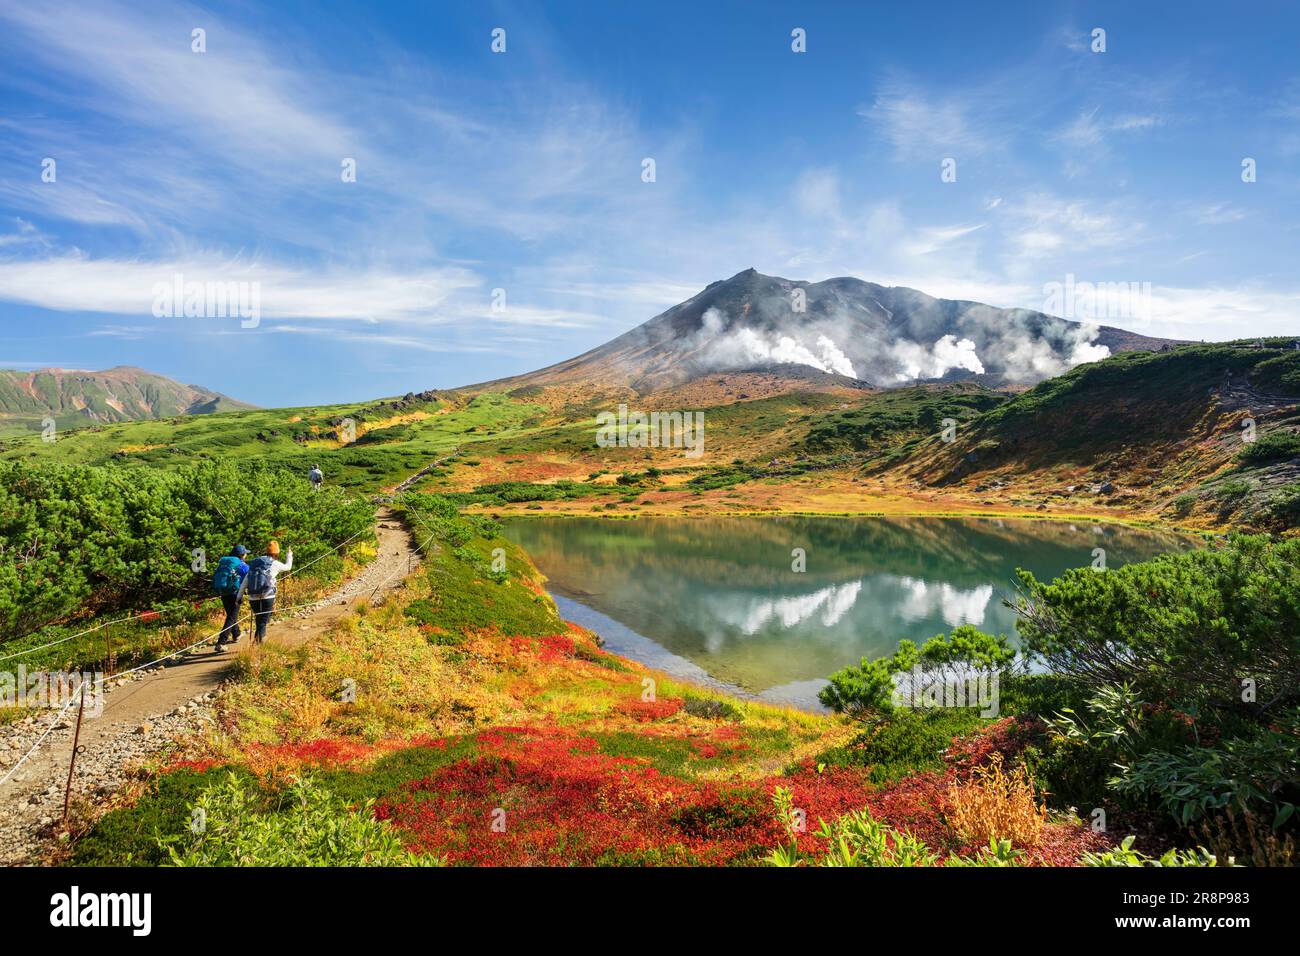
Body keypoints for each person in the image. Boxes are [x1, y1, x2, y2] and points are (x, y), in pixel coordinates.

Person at [239, 539, 293, 643]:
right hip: (268, 595)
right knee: (263, 621)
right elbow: (288, 567)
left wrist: (239, 597)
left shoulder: (254, 563)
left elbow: (245, 581)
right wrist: (289, 555)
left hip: (253, 596)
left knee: (260, 620)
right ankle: (261, 644)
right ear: (276, 553)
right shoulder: (275, 563)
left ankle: (256, 643)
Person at [212, 545, 249, 651]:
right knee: (231, 617)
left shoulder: (223, 563)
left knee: (231, 615)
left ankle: (236, 634)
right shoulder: (241, 565)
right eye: (245, 553)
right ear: (242, 555)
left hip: (223, 592)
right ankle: (221, 642)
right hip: (235, 593)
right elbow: (249, 576)